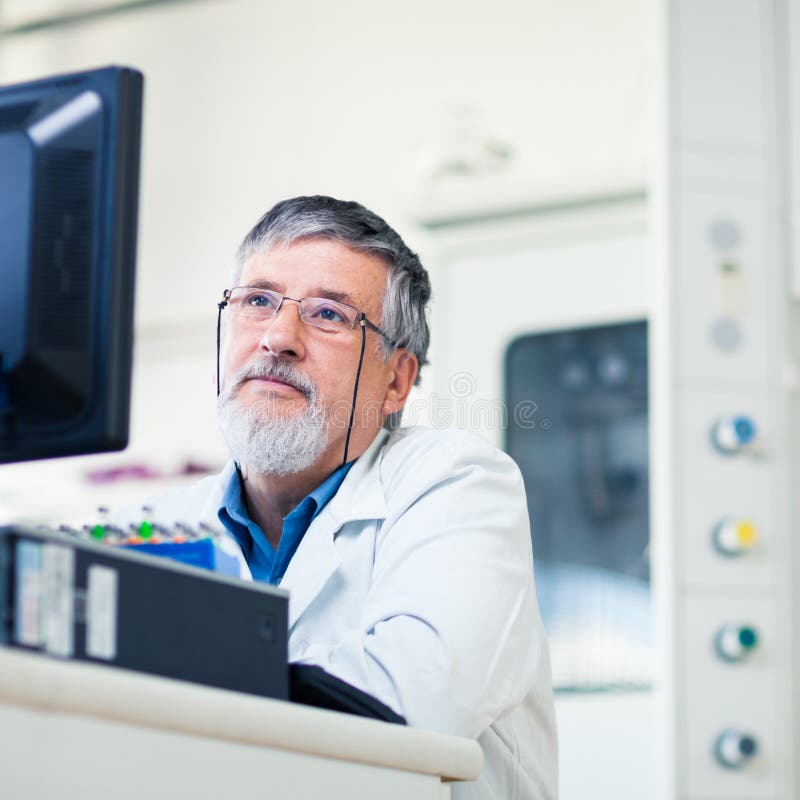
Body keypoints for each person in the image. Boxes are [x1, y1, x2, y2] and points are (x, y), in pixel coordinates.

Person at [117, 196, 558, 799]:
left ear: (396, 381)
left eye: (328, 315)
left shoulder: (457, 482)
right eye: (257, 301)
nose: (278, 337)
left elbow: (414, 701)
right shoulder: (154, 526)